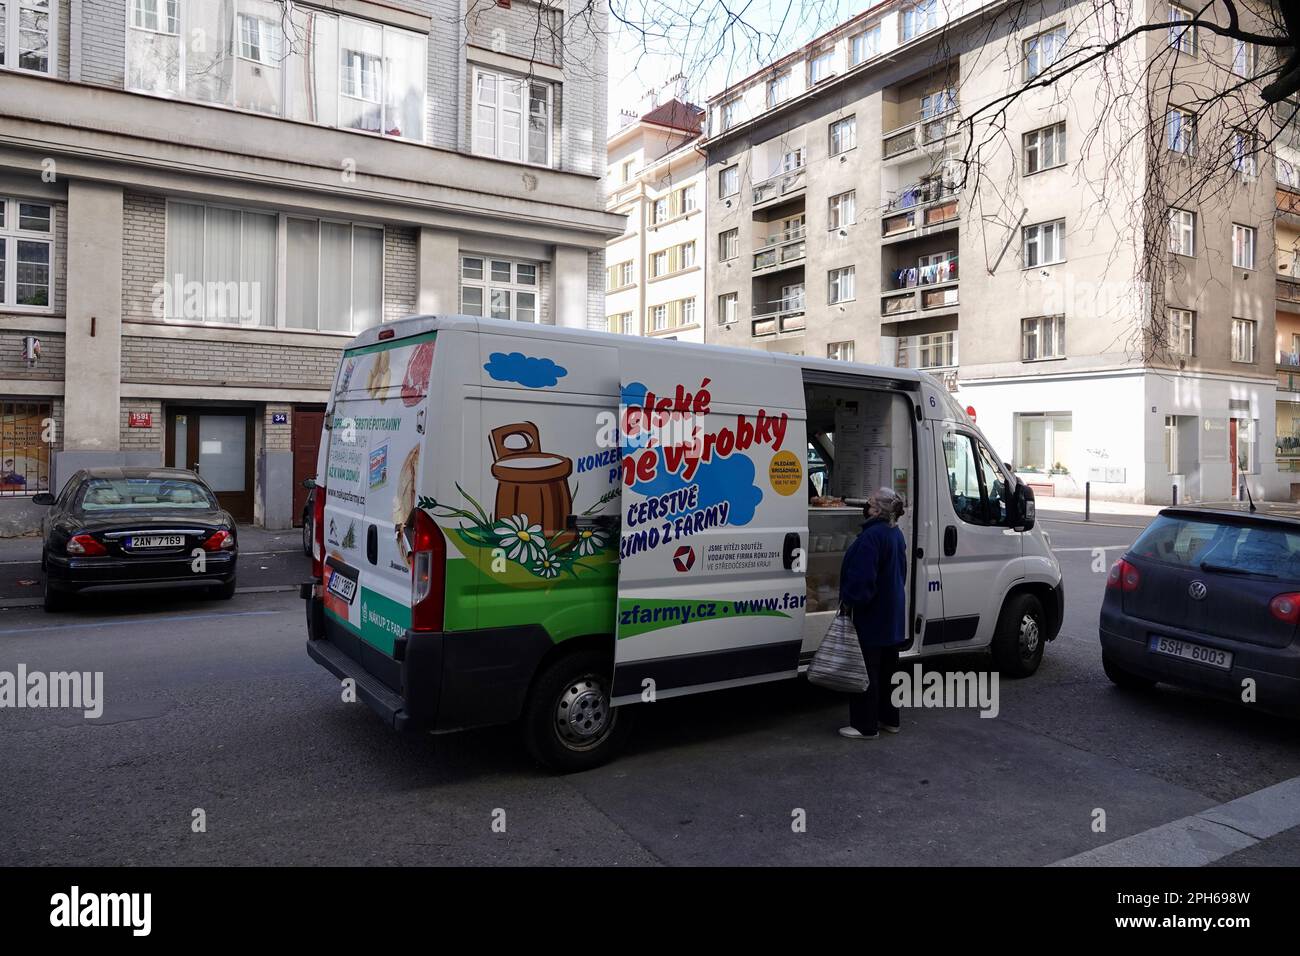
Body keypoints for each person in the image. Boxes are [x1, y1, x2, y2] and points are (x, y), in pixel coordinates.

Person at [837, 487, 908, 739]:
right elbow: (902, 571)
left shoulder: (870, 537)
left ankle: (865, 725)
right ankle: (890, 719)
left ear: (877, 510)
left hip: (872, 615)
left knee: (865, 671)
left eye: (869, 502)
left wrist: (850, 601)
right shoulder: (895, 533)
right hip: (892, 613)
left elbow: (862, 580)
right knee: (888, 670)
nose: (865, 505)